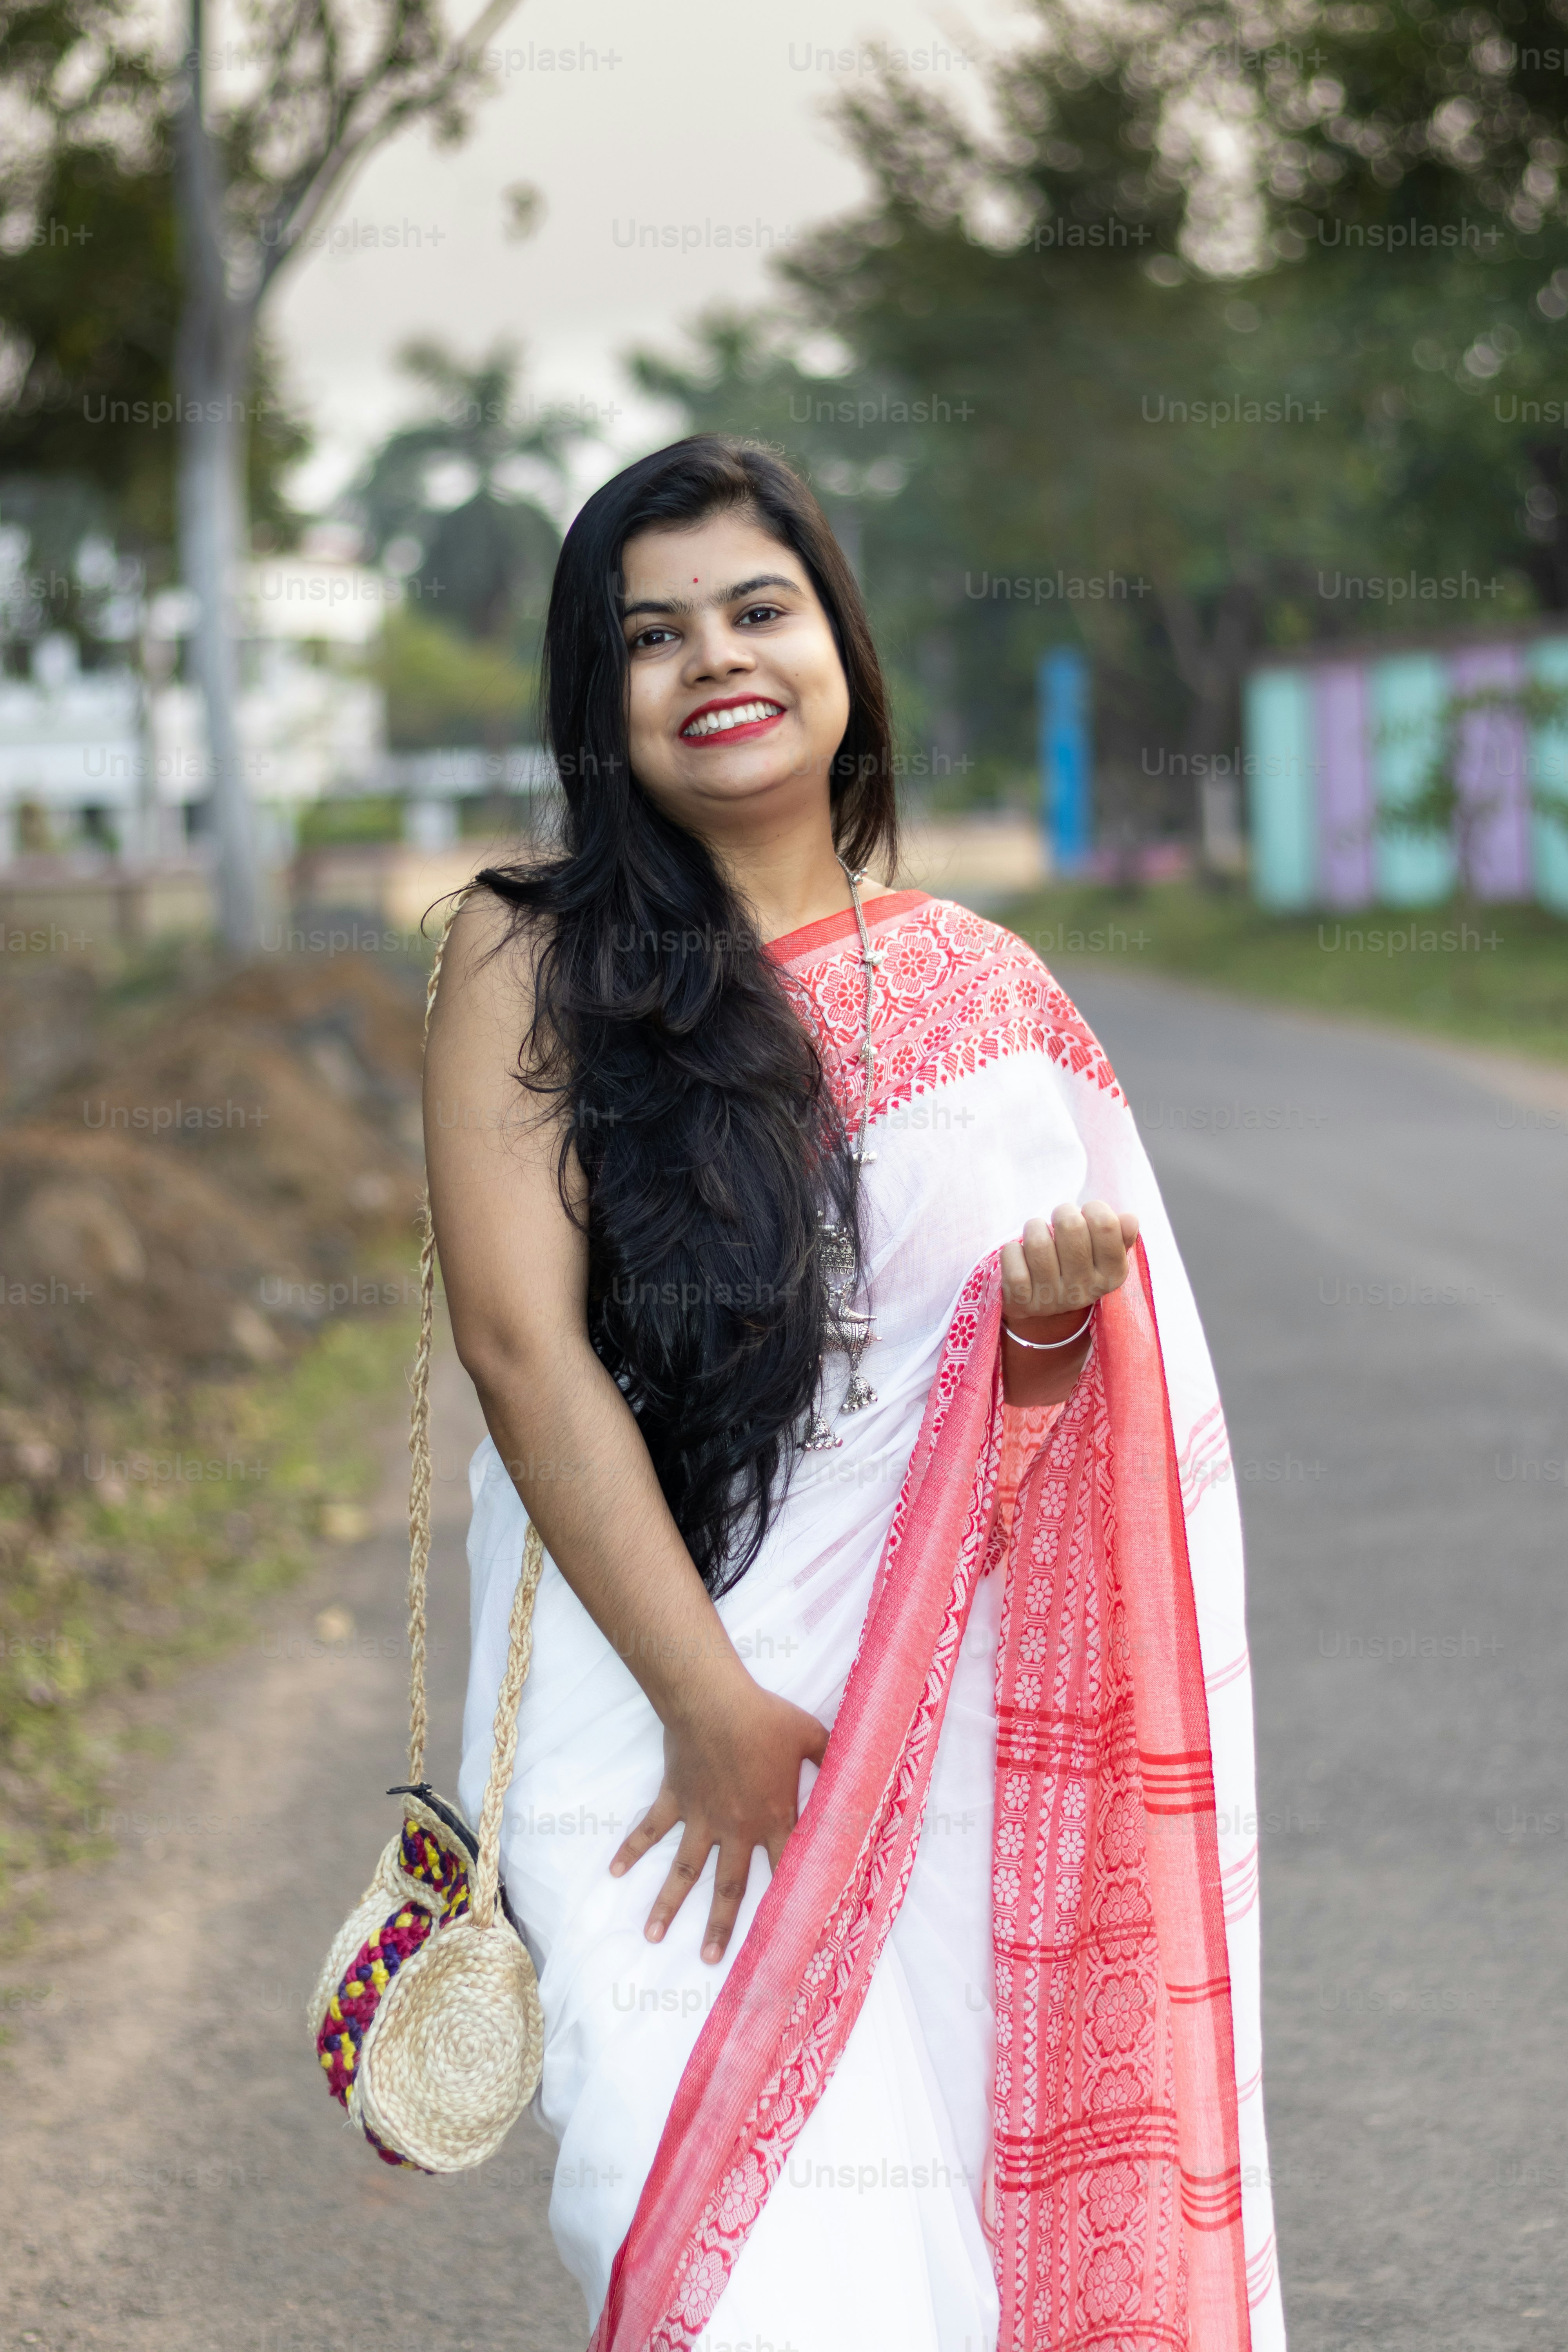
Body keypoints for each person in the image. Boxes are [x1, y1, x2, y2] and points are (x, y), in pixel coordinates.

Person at [425, 436, 1283, 2352]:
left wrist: (1049, 1346)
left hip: (940, 1724)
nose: (713, 659)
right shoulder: (535, 952)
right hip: (642, 1700)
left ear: (837, 647)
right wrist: (708, 1703)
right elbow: (516, 1343)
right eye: (651, 634)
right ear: (598, 693)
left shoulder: (988, 992)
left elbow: (1043, 1449)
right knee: (711, 2220)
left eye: (757, 607)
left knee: (941, 2220)